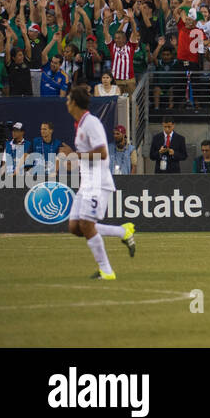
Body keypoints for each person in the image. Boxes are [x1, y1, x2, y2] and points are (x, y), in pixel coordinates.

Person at [65, 85, 135, 278]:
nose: (66, 103)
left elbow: (103, 153)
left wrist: (75, 155)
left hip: (97, 182)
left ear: (75, 103)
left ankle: (106, 270)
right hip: (86, 183)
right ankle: (122, 232)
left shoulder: (91, 123)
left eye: (68, 99)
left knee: (86, 225)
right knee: (75, 227)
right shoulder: (80, 124)